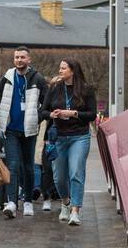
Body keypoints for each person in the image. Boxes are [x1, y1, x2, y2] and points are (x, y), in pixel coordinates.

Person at [40, 58, 97, 226]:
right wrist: (51, 115)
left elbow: (92, 114)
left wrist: (73, 113)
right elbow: (43, 110)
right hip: (59, 137)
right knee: (59, 177)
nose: (60, 71)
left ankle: (75, 210)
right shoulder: (55, 88)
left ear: (73, 71)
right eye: (60, 68)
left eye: (63, 68)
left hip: (79, 136)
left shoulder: (86, 90)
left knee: (76, 173)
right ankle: (65, 202)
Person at [0, 46, 47, 219]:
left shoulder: (37, 78)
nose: (19, 60)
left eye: (22, 57)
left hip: (29, 130)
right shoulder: (7, 77)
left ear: (29, 60)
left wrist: (36, 118)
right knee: (13, 166)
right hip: (11, 129)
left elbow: (46, 103)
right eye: (16, 57)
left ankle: (29, 201)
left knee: (28, 167)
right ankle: (12, 202)